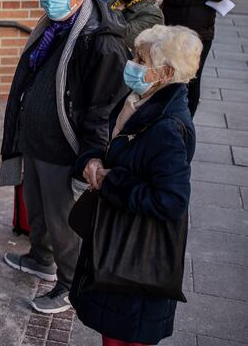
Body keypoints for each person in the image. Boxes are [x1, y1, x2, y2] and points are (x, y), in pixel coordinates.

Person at [0, 0, 129, 314]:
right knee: (37, 208)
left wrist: (90, 156)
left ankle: (71, 284)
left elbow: (102, 108)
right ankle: (40, 258)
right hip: (36, 140)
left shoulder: (100, 41)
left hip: (63, 147)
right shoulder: (53, 28)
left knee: (63, 221)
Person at [70, 25, 201, 346]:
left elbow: (171, 201)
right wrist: (91, 160)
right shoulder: (138, 102)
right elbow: (112, 148)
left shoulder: (167, 127)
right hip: (117, 241)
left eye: (141, 59)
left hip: (136, 256)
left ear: (165, 73)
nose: (132, 63)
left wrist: (109, 180)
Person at [159, 0, 232, 116]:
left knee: (193, 79)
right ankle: (165, 118)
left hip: (202, 36)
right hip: (173, 34)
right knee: (169, 77)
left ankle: (186, 120)